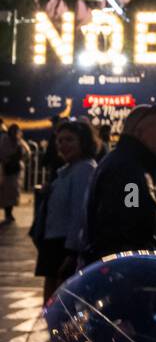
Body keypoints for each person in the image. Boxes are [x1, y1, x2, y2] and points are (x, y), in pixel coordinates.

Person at [82, 105, 156, 261]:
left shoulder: (123, 163)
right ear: (139, 133)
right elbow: (130, 225)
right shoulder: (129, 173)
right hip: (125, 270)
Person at [32, 120, 97, 301]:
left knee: (62, 304)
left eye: (69, 140)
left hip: (65, 246)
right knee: (52, 303)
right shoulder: (67, 169)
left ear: (83, 142)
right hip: (54, 242)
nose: (63, 145)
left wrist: (72, 253)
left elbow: (79, 213)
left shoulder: (84, 169)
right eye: (59, 141)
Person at [0, 122, 28, 222]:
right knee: (7, 193)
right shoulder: (5, 140)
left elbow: (25, 152)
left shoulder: (18, 141)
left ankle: (9, 212)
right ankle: (8, 213)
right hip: (7, 169)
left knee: (13, 192)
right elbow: (4, 154)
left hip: (15, 170)